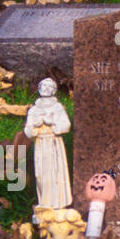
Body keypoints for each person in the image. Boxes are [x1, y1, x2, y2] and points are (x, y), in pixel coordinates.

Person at [24, 78, 72, 211]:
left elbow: (66, 125)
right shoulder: (34, 110)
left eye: (49, 86)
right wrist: (35, 125)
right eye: (43, 86)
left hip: (54, 143)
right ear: (39, 89)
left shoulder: (58, 108)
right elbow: (28, 131)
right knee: (41, 175)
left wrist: (52, 122)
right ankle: (44, 204)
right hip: (40, 144)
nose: (45, 88)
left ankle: (57, 204)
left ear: (54, 90)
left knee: (55, 173)